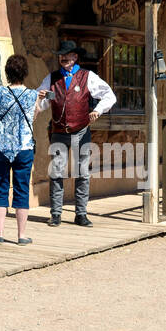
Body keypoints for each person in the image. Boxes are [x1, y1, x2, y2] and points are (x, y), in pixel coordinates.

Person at [42, 40, 116, 227]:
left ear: (75, 57)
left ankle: (81, 214)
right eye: (61, 56)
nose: (63, 58)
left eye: (67, 55)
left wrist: (98, 110)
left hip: (81, 132)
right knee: (57, 173)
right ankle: (56, 214)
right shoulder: (51, 79)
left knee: (82, 173)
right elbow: (41, 101)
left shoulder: (87, 77)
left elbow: (109, 95)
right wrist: (41, 98)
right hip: (58, 132)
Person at [0, 54, 43, 244]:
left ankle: (0, 233)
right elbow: (33, 118)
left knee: (0, 188)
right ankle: (21, 235)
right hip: (24, 146)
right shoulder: (33, 94)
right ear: (25, 72)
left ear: (7, 72)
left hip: (0, 146)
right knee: (22, 189)